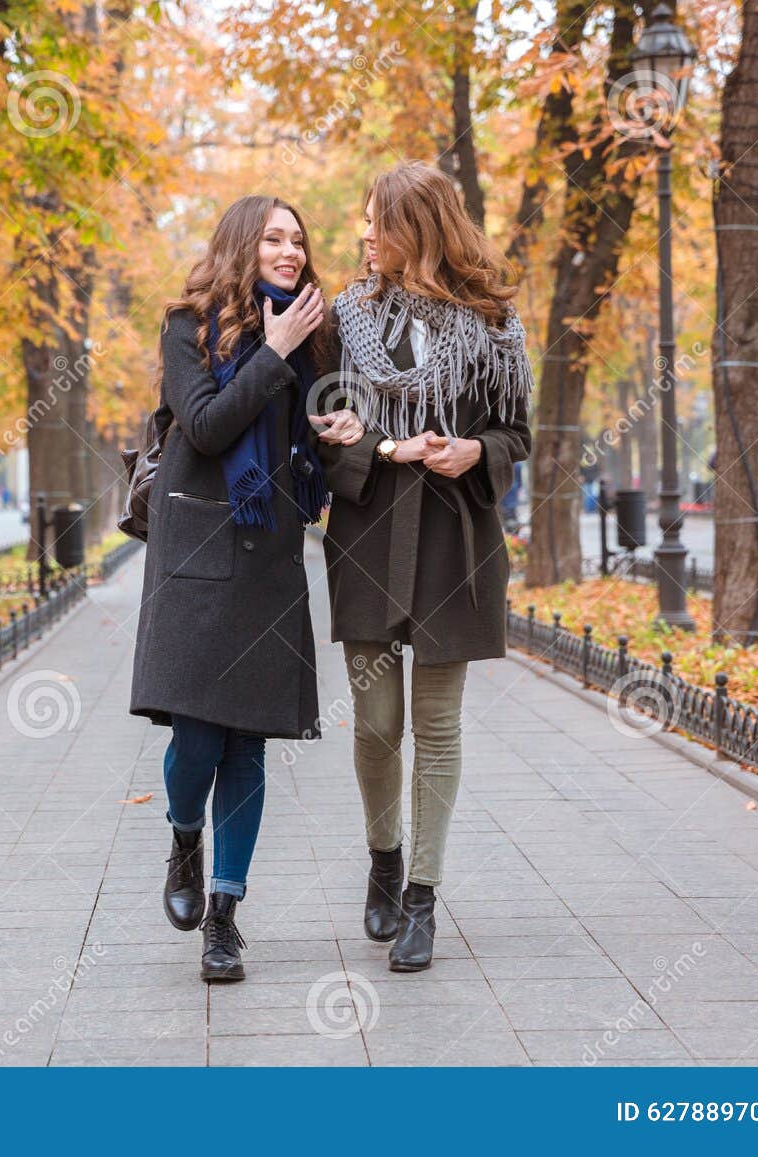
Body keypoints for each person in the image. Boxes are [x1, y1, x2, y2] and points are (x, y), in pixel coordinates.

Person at [128, 194, 362, 983]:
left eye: (299, 239)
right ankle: (183, 836)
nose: (292, 251)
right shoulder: (188, 326)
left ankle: (225, 918)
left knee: (249, 743)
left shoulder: (314, 334)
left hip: (268, 555)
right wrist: (274, 347)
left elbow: (321, 435)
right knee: (197, 736)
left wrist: (336, 433)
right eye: (274, 238)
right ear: (242, 244)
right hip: (196, 553)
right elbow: (204, 425)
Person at [316, 162, 533, 972]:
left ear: (419, 227)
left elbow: (518, 433)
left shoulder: (495, 324)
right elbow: (320, 427)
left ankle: (422, 899)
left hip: (456, 540)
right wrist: (382, 445)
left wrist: (473, 448)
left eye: (377, 221)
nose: (364, 235)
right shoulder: (344, 319)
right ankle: (383, 856)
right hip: (368, 536)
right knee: (376, 725)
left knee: (437, 727)